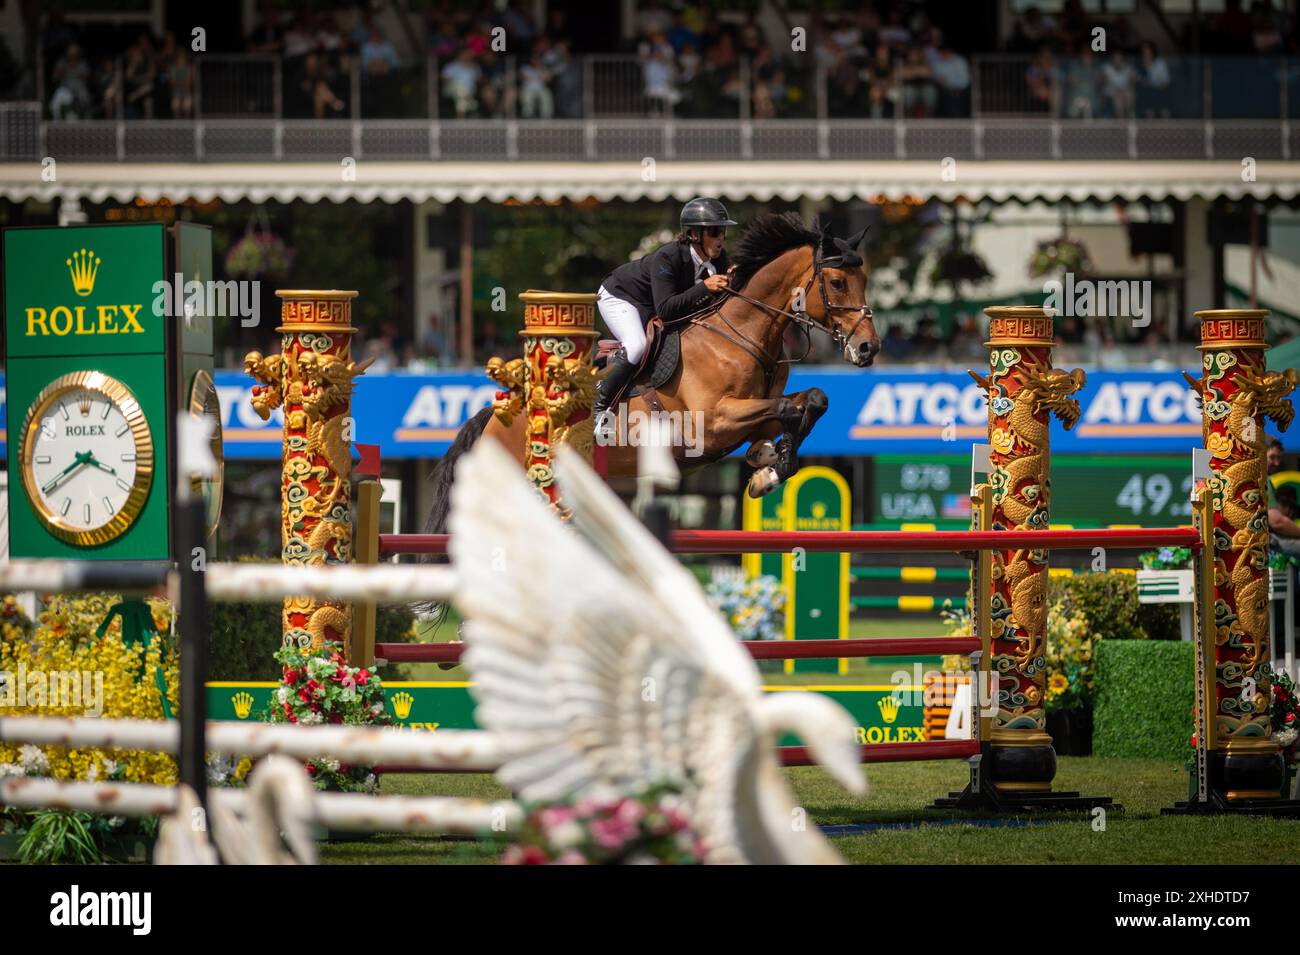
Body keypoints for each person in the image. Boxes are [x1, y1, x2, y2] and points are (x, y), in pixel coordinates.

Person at [592, 197, 736, 430]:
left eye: (723, 232)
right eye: (715, 231)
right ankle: (600, 407)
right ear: (694, 234)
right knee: (637, 344)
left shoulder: (718, 258)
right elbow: (666, 311)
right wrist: (705, 287)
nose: (721, 239)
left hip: (649, 302)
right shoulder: (668, 257)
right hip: (619, 295)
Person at [1268, 437, 1300, 555]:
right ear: (1260, 453)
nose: (1277, 463)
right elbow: (1277, 522)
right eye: (1272, 457)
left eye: (1279, 458)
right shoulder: (1263, 480)